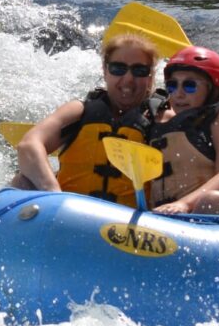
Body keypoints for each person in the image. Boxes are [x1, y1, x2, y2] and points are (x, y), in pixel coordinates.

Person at [10, 33, 161, 206]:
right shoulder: (79, 112)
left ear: (150, 77)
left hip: (127, 227)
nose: (128, 79)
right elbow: (29, 145)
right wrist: (52, 193)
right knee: (22, 181)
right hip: (65, 213)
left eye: (139, 71)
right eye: (118, 69)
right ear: (104, 71)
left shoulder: (160, 120)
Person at [145, 46, 219, 217]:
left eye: (189, 86)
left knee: (212, 200)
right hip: (167, 216)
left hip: (217, 215)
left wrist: (184, 204)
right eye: (172, 85)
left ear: (213, 89)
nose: (178, 94)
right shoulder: (155, 120)